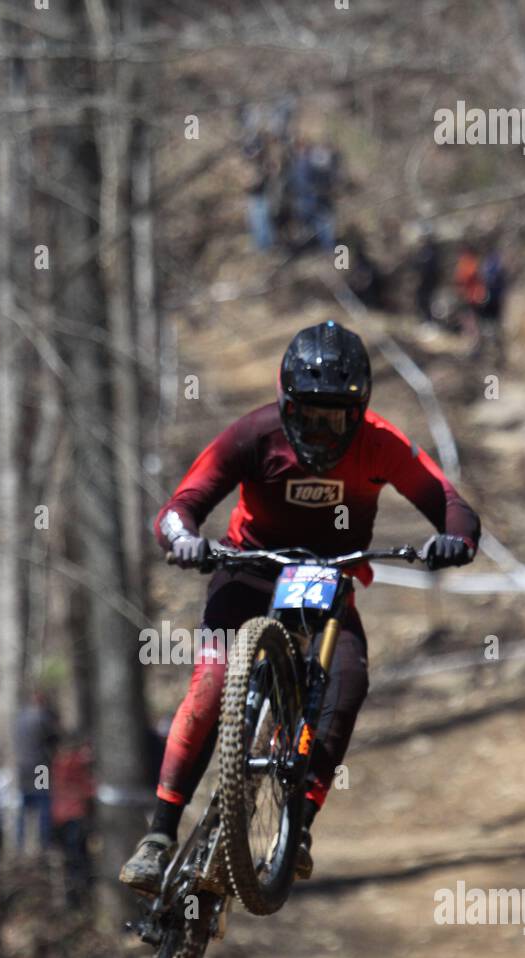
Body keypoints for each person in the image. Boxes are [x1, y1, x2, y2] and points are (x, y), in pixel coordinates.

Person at [120, 320, 481, 895]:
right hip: (248, 571)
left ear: (359, 414)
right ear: (287, 403)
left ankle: (300, 823)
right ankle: (160, 833)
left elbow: (448, 501)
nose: (321, 429)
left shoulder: (381, 443)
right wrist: (184, 538)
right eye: (310, 414)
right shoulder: (254, 434)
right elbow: (181, 505)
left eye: (335, 417)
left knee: (349, 681)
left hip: (330, 585)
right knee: (211, 682)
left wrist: (454, 539)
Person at [51, 735, 95, 910]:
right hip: (73, 816)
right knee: (78, 858)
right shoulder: (74, 764)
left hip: (60, 817)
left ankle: (73, 896)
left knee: (70, 859)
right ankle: (80, 895)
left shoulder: (55, 764)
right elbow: (87, 789)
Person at [14, 688, 59, 852]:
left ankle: (20, 842)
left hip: (23, 767)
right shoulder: (42, 717)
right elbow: (54, 738)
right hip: (40, 767)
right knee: (43, 803)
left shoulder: (20, 717)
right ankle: (44, 842)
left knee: (24, 804)